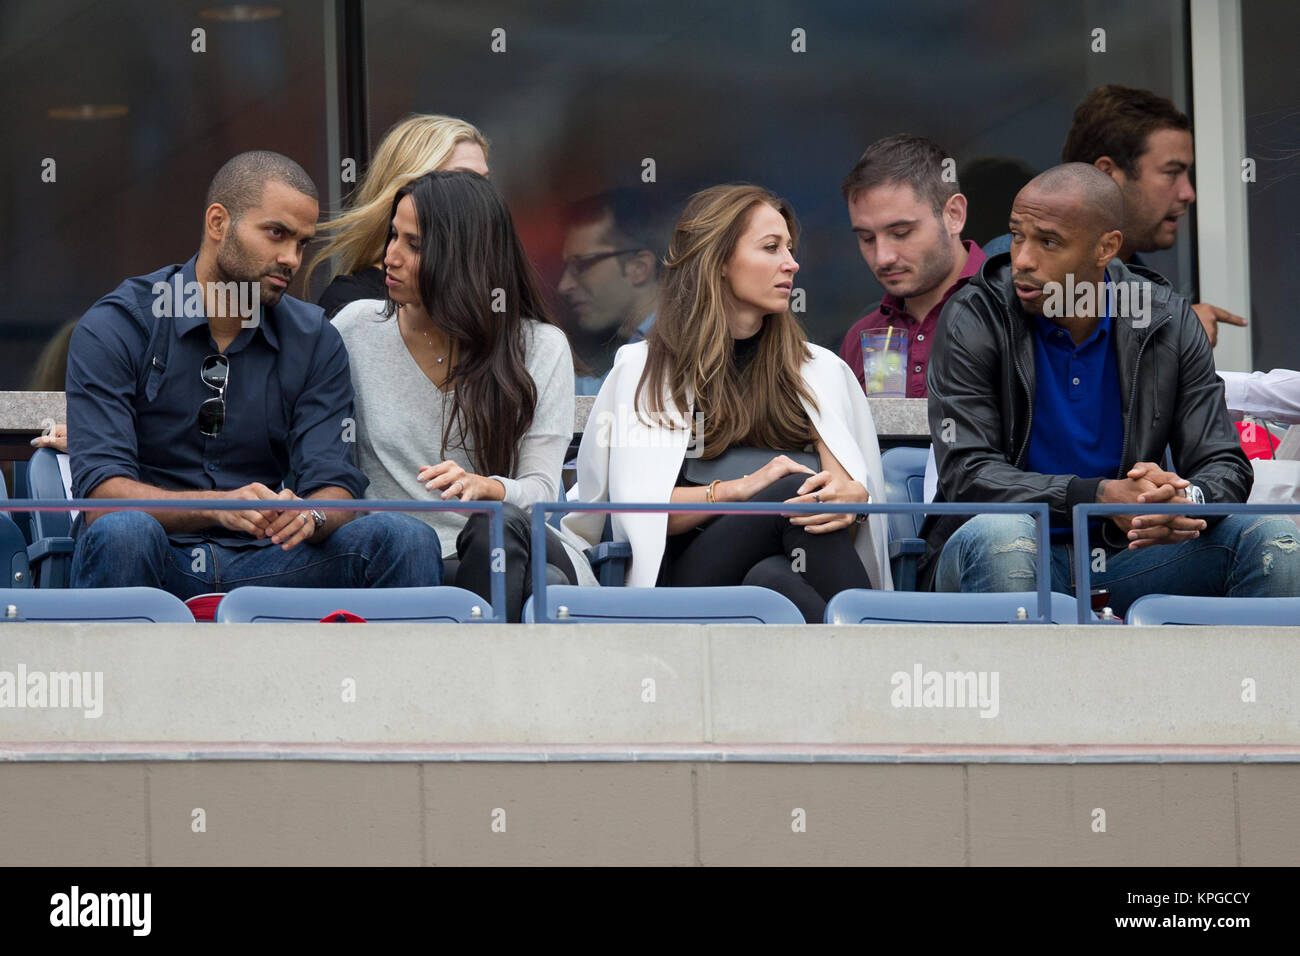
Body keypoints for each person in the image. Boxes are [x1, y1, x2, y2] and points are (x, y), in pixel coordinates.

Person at [924, 163, 1300, 610]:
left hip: (1127, 556)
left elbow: (1223, 460)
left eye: (1048, 241)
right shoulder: (976, 315)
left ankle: (1241, 683)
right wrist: (1098, 496)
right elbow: (967, 474)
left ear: (1107, 248)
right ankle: (1021, 683)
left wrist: (1181, 500)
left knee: (1277, 538)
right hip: (997, 551)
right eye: (1017, 234)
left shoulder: (1165, 319)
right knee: (1004, 536)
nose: (1022, 258)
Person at [67, 151, 441, 597]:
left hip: (270, 558)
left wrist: (310, 516)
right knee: (125, 533)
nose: (291, 259)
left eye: (302, 243)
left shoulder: (313, 338)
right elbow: (103, 501)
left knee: (405, 540)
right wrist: (219, 506)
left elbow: (334, 484)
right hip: (154, 556)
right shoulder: (121, 325)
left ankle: (394, 672)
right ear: (218, 223)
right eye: (276, 234)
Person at [561, 184, 893, 623]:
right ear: (717, 261)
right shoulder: (644, 369)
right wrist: (742, 490)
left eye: (790, 249)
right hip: (687, 576)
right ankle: (876, 647)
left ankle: (857, 663)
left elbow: (840, 488)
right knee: (791, 495)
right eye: (771, 248)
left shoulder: (819, 369)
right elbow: (643, 509)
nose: (791, 264)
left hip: (785, 560)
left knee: (773, 578)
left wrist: (852, 496)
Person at [331, 171, 578, 621]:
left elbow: (544, 491)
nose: (391, 257)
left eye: (415, 244)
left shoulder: (540, 347)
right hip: (399, 561)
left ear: (465, 256)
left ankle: (480, 675)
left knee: (496, 528)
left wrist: (490, 488)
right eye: (393, 236)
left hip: (504, 552)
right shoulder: (355, 329)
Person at [983, 85, 1247, 346]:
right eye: (1171, 173)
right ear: (1107, 173)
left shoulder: (1143, 284)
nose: (1188, 193)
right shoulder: (1005, 266)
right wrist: (1175, 327)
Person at [838, 135, 986, 398]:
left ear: (954, 215)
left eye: (901, 232)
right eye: (867, 238)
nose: (883, 257)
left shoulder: (1013, 310)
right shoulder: (860, 338)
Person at [314, 114, 490, 318]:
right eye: (463, 180)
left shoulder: (489, 293)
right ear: (407, 190)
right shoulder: (352, 305)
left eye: (484, 182)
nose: (481, 196)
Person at [557, 189, 666, 394]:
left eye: (580, 266)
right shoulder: (643, 341)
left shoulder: (673, 345)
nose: (564, 285)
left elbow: (599, 403)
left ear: (639, 268)